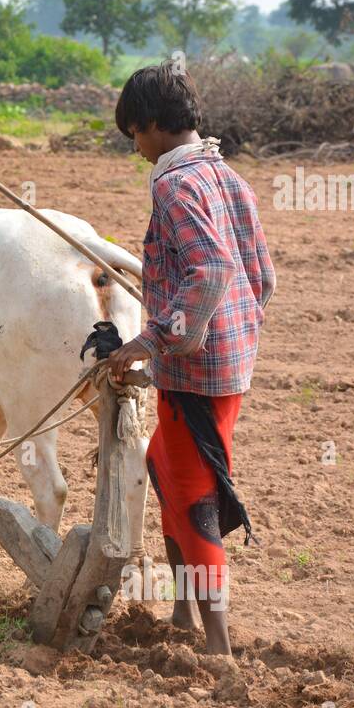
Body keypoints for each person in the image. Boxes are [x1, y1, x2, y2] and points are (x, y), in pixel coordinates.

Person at [105, 62, 276, 655]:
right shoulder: (225, 175)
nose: (136, 148)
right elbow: (262, 275)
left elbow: (213, 270)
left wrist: (152, 339)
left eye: (135, 134)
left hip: (195, 373)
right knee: (163, 464)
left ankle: (218, 647)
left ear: (153, 124)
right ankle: (181, 613)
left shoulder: (175, 184)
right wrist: (234, 332)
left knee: (193, 498)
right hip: (229, 366)